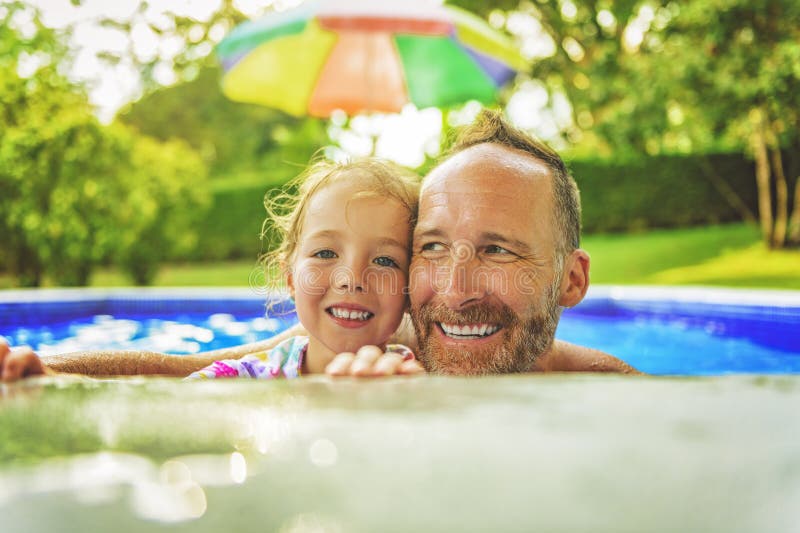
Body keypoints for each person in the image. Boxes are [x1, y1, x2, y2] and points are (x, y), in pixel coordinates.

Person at [0, 110, 637, 381]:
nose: (456, 289)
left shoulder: (612, 395)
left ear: (571, 280)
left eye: (498, 251)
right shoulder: (381, 348)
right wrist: (45, 369)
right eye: (434, 249)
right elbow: (172, 372)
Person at [185, 158, 423, 380]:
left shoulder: (416, 382)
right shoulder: (241, 380)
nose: (351, 279)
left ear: (409, 293)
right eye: (325, 253)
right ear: (290, 279)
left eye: (384, 261)